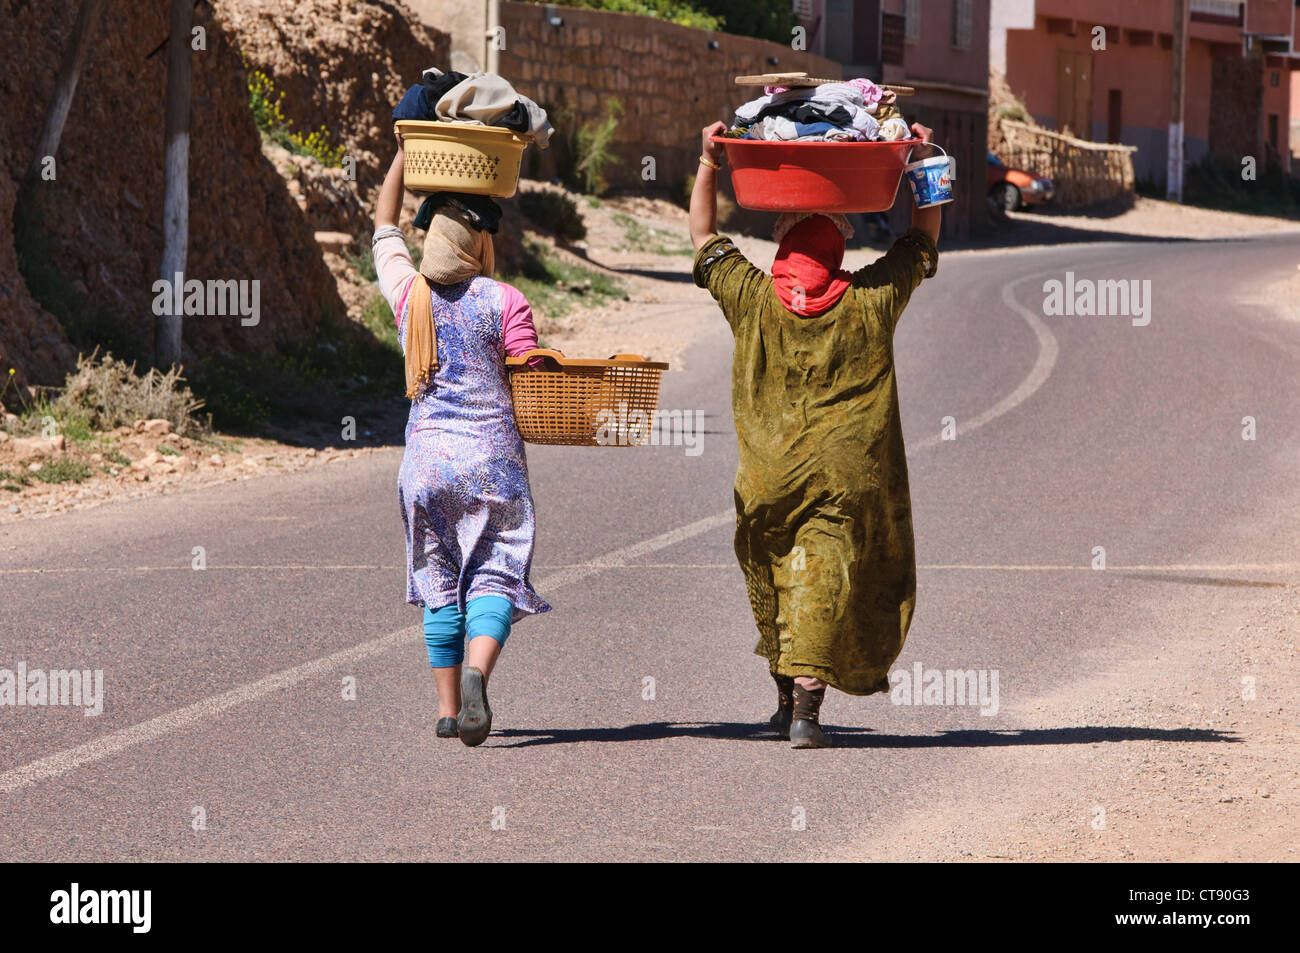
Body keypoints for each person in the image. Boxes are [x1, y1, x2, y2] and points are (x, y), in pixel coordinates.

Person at [689, 120, 943, 748]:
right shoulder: (869, 300)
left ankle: (786, 703)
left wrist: (709, 162)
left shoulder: (750, 297)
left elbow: (703, 236)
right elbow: (920, 242)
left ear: (781, 251)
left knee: (780, 571)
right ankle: (804, 712)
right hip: (845, 480)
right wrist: (924, 163)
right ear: (836, 252)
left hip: (767, 476)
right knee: (822, 578)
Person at [372, 134, 550, 747]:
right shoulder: (506, 300)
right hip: (492, 463)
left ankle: (449, 711)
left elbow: (382, 227)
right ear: (479, 245)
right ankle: (478, 673)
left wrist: (405, 153)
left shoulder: (406, 297)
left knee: (438, 579)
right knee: (497, 572)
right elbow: (531, 375)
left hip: (425, 466)